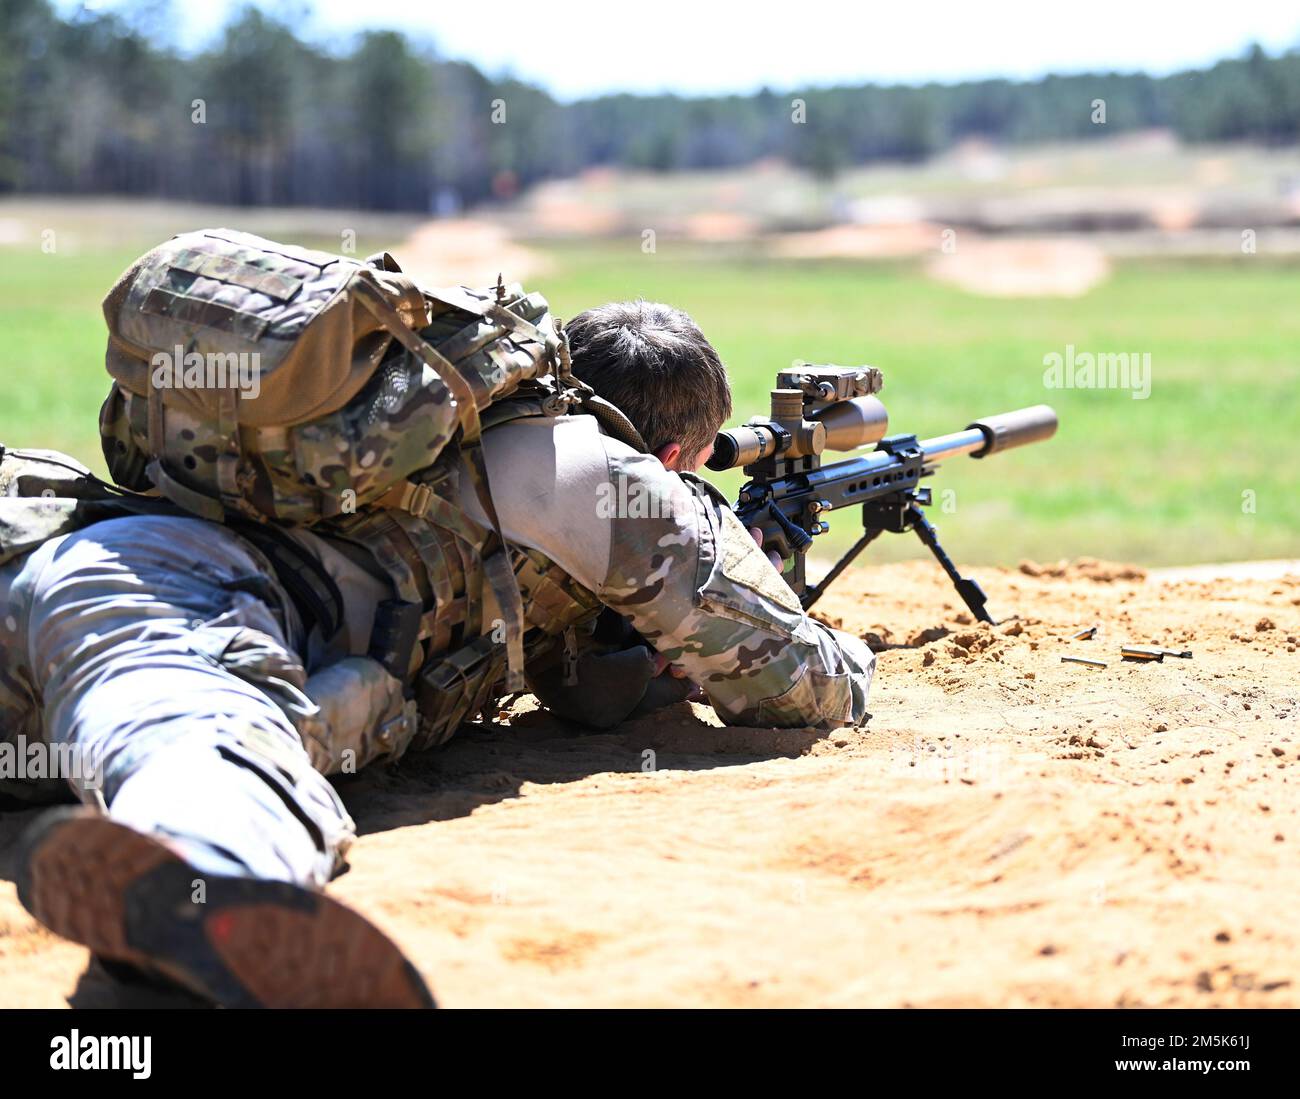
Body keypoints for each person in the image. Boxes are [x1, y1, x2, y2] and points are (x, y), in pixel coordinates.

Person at [1, 299, 875, 1007]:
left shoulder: (439, 426)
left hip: (58, 574)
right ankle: (204, 881)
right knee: (188, 731)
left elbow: (569, 672)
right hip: (150, 589)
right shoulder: (605, 477)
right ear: (678, 455)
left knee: (150, 716)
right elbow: (800, 688)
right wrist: (845, 643)